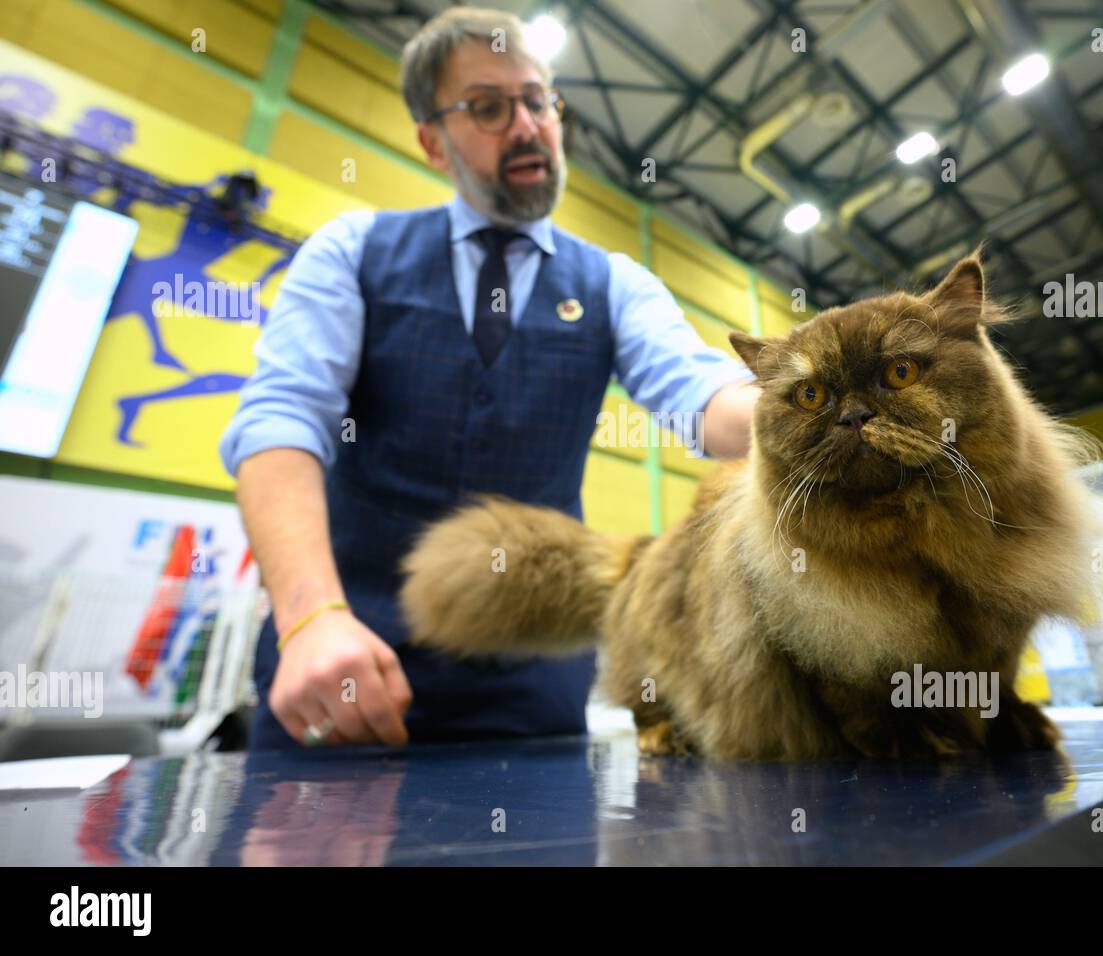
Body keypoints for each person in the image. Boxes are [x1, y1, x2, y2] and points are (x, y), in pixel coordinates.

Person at [219, 6, 759, 751]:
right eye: (488, 107)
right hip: (341, 671)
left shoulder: (613, 284)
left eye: (539, 100)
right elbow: (279, 422)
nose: (528, 126)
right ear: (432, 142)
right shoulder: (351, 252)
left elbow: (706, 398)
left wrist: (817, 403)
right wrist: (311, 617)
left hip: (532, 687)